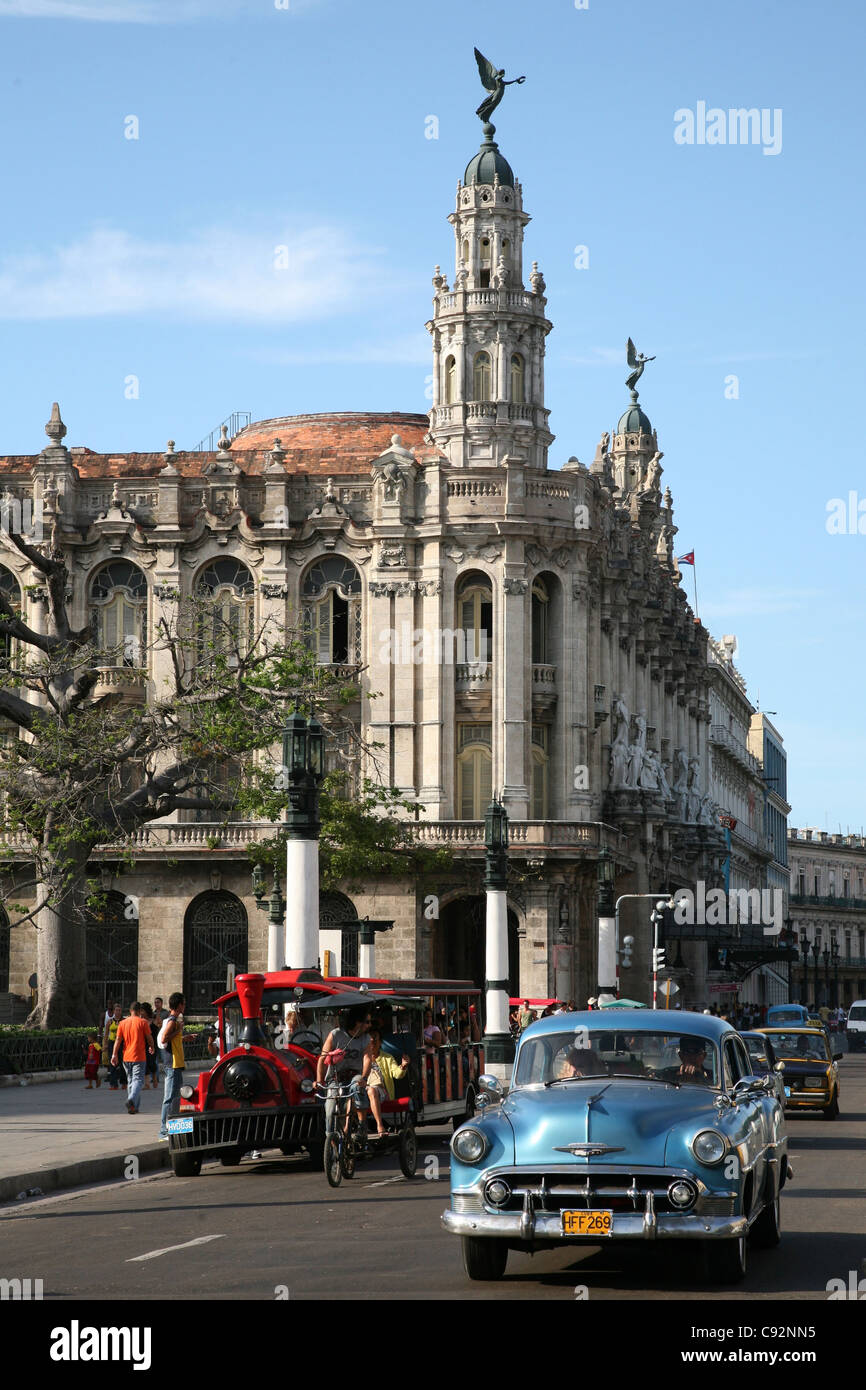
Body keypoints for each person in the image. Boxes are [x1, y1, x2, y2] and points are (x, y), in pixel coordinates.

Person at [316, 1005, 373, 1138]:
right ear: (357, 1022)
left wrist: (364, 1078)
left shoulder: (365, 1038)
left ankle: (362, 1124)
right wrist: (319, 1081)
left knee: (358, 1086)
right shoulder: (336, 1034)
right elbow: (322, 1058)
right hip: (335, 1078)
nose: (369, 1025)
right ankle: (330, 1139)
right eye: (367, 1022)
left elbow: (367, 1060)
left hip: (354, 1076)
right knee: (329, 1111)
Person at [364, 1028, 411, 1138]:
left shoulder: (387, 1058)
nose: (372, 1042)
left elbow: (397, 1073)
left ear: (380, 1042)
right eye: (369, 1040)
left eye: (374, 1040)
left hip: (382, 1093)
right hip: (364, 1092)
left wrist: (403, 1066)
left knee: (371, 1090)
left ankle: (380, 1126)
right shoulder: (362, 1057)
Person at [111, 1002, 154, 1114]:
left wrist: (114, 1054)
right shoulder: (143, 1022)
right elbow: (149, 1038)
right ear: (139, 1011)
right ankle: (131, 1100)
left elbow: (118, 1040)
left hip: (126, 1057)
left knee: (131, 1080)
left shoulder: (122, 1023)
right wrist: (152, 1047)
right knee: (138, 1081)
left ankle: (134, 1107)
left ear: (130, 1011)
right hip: (139, 1056)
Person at [158, 992, 187, 1140]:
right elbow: (164, 1038)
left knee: (176, 1098)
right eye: (183, 1003)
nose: (185, 1006)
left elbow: (173, 1039)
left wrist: (184, 1037)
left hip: (176, 1065)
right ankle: (163, 1131)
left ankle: (172, 1128)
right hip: (172, 1064)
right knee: (169, 1098)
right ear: (179, 1004)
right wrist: (178, 1030)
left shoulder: (174, 1020)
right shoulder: (172, 1021)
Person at [102, 1003, 125, 1090]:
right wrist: (105, 1044)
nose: (118, 1012)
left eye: (119, 1010)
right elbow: (106, 1034)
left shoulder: (124, 1021)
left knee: (123, 1063)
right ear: (114, 1011)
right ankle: (113, 1084)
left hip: (122, 1043)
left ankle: (124, 1082)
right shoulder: (110, 1022)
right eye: (116, 1010)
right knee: (113, 1063)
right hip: (112, 1042)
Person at [139, 1002, 160, 1090]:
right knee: (145, 1063)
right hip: (143, 1044)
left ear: (146, 1011)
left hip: (153, 1043)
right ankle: (147, 1083)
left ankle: (154, 1077)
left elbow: (160, 1027)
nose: (141, 1013)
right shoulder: (140, 1020)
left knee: (151, 1062)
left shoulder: (155, 1018)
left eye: (142, 1011)